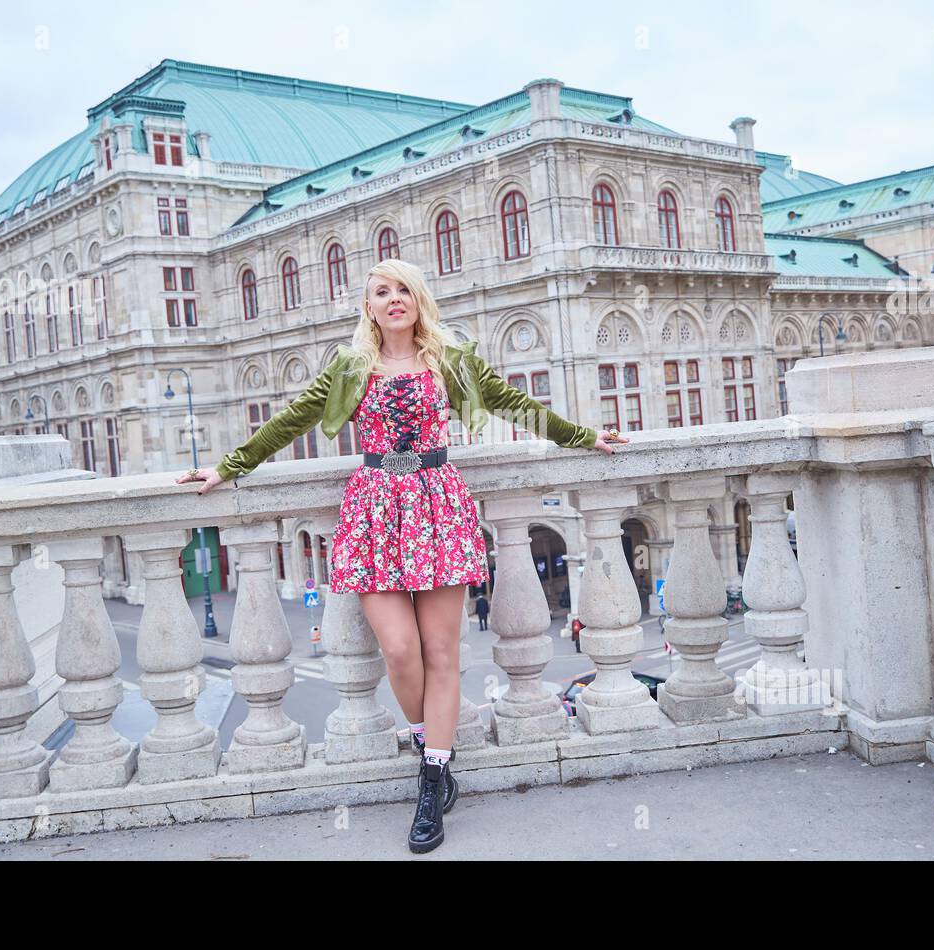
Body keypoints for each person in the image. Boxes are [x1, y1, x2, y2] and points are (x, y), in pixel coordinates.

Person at [176, 259, 629, 854]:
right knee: (398, 648)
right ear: (368, 307)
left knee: (441, 650)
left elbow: (512, 404)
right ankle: (429, 746)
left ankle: (432, 778)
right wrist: (228, 467)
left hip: (438, 504)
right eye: (381, 292)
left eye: (403, 290)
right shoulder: (350, 367)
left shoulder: (451, 359)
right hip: (373, 510)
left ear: (419, 300)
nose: (394, 299)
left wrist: (583, 436)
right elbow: (290, 421)